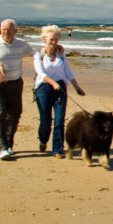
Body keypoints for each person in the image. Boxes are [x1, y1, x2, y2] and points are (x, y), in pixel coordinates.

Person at [0, 19, 34, 159]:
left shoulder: (21, 44)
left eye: (9, 29)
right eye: (3, 29)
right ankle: (1, 148)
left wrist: (56, 50)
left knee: (15, 114)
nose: (5, 32)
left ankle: (9, 144)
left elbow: (36, 54)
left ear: (15, 31)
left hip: (15, 84)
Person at [33, 25, 85, 158]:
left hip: (60, 87)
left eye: (56, 39)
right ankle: (43, 139)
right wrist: (53, 83)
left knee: (59, 120)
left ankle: (58, 149)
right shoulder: (39, 55)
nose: (54, 42)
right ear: (44, 39)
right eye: (51, 39)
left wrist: (76, 86)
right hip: (44, 88)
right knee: (45, 121)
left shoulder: (61, 54)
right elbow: (41, 73)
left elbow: (68, 71)